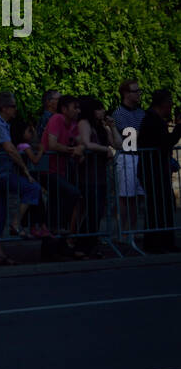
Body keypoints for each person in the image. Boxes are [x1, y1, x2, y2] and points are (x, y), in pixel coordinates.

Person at [0, 93, 32, 266]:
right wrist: (25, 169)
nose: (15, 109)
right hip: (0, 172)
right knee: (31, 189)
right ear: (4, 108)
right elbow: (10, 149)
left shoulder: (2, 123)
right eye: (12, 106)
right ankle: (16, 223)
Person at [42, 95, 87, 260]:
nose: (78, 110)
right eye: (74, 107)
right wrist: (71, 150)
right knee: (72, 193)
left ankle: (53, 249)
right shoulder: (56, 119)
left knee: (56, 206)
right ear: (64, 109)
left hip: (60, 171)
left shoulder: (73, 124)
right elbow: (52, 144)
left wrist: (80, 148)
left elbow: (81, 141)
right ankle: (60, 232)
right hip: (47, 170)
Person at [74, 96, 118, 256]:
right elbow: (86, 143)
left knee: (98, 212)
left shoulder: (102, 127)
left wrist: (112, 127)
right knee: (92, 211)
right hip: (88, 173)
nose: (103, 111)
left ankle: (90, 244)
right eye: (99, 108)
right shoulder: (84, 123)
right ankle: (82, 245)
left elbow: (118, 144)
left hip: (100, 173)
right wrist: (104, 150)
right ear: (92, 110)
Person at [137, 89, 180, 253]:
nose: (171, 106)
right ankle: (155, 243)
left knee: (164, 205)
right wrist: (178, 129)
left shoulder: (154, 119)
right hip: (152, 170)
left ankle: (165, 241)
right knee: (158, 206)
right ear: (163, 104)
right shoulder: (152, 120)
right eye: (169, 102)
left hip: (157, 169)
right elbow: (165, 143)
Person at [112, 79, 146, 238]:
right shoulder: (119, 113)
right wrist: (144, 133)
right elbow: (129, 136)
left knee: (136, 197)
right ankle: (122, 231)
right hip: (127, 157)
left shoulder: (141, 112)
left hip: (140, 156)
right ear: (126, 93)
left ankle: (132, 230)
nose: (139, 93)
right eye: (135, 91)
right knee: (125, 197)